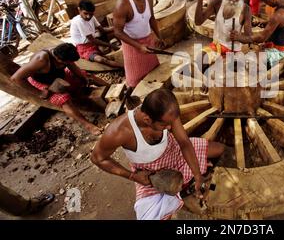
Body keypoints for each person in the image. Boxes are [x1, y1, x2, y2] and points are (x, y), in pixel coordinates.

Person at [91, 88, 225, 220]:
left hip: (174, 150)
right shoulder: (120, 131)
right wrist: (132, 176)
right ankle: (182, 191)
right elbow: (97, 158)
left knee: (219, 149)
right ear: (147, 120)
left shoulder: (167, 113)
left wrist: (197, 175)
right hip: (152, 172)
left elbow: (184, 143)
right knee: (151, 217)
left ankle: (185, 186)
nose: (169, 128)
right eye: (164, 125)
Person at [10, 43, 107, 135]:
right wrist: (39, 92)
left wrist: (83, 77)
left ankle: (112, 88)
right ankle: (88, 126)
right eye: (66, 63)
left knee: (88, 76)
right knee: (64, 100)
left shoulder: (63, 51)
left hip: (57, 76)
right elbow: (15, 78)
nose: (69, 63)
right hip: (40, 82)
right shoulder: (40, 60)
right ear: (58, 59)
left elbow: (73, 66)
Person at [113, 0, 163, 91]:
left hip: (148, 42)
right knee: (136, 82)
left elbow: (152, 19)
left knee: (153, 76)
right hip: (132, 46)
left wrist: (159, 36)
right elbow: (118, 32)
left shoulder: (149, 0)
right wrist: (138, 46)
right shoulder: (123, 4)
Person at [195, 0, 252, 70]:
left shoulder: (246, 9)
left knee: (235, 72)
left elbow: (249, 38)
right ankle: (206, 82)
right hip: (216, 46)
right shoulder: (216, 3)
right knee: (200, 60)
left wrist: (239, 37)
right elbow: (198, 21)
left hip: (234, 51)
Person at [230, 0, 284, 68]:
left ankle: (267, 66)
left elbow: (262, 38)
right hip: (280, 43)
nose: (268, 5)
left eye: (268, 3)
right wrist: (266, 22)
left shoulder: (278, 15)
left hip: (278, 50)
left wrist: (240, 38)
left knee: (245, 62)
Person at [70, 0, 122, 68]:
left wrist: (119, 26)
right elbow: (92, 40)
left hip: (94, 41)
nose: (88, 16)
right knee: (101, 59)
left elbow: (103, 30)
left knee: (117, 31)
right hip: (84, 47)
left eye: (91, 14)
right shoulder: (79, 21)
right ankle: (125, 67)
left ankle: (120, 48)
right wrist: (112, 46)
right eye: (85, 13)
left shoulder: (92, 17)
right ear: (79, 10)